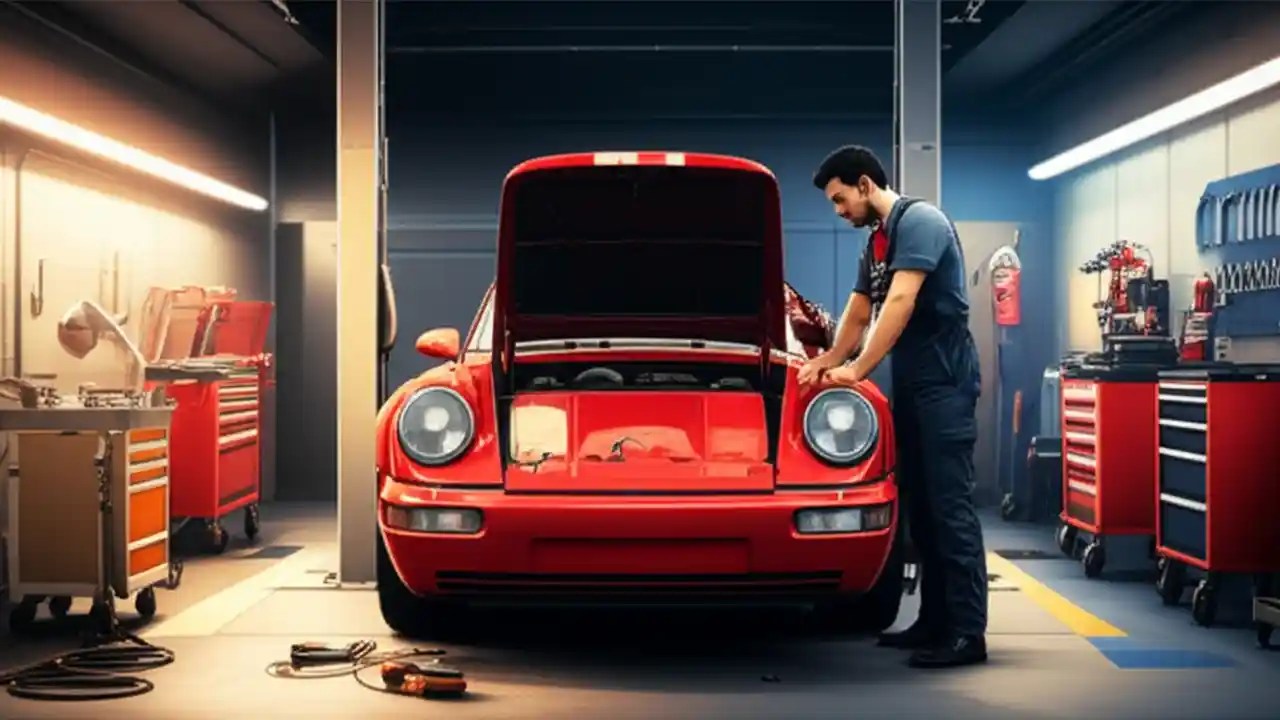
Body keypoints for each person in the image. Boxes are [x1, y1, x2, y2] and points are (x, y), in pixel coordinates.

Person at [799, 145, 988, 669]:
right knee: (921, 511)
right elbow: (860, 308)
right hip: (912, 383)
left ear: (864, 184)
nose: (838, 211)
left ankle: (967, 633)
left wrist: (857, 371)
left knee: (950, 510)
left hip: (945, 385)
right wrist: (830, 358)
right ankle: (932, 621)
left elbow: (900, 302)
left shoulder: (921, 221)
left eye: (840, 199)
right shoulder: (877, 241)